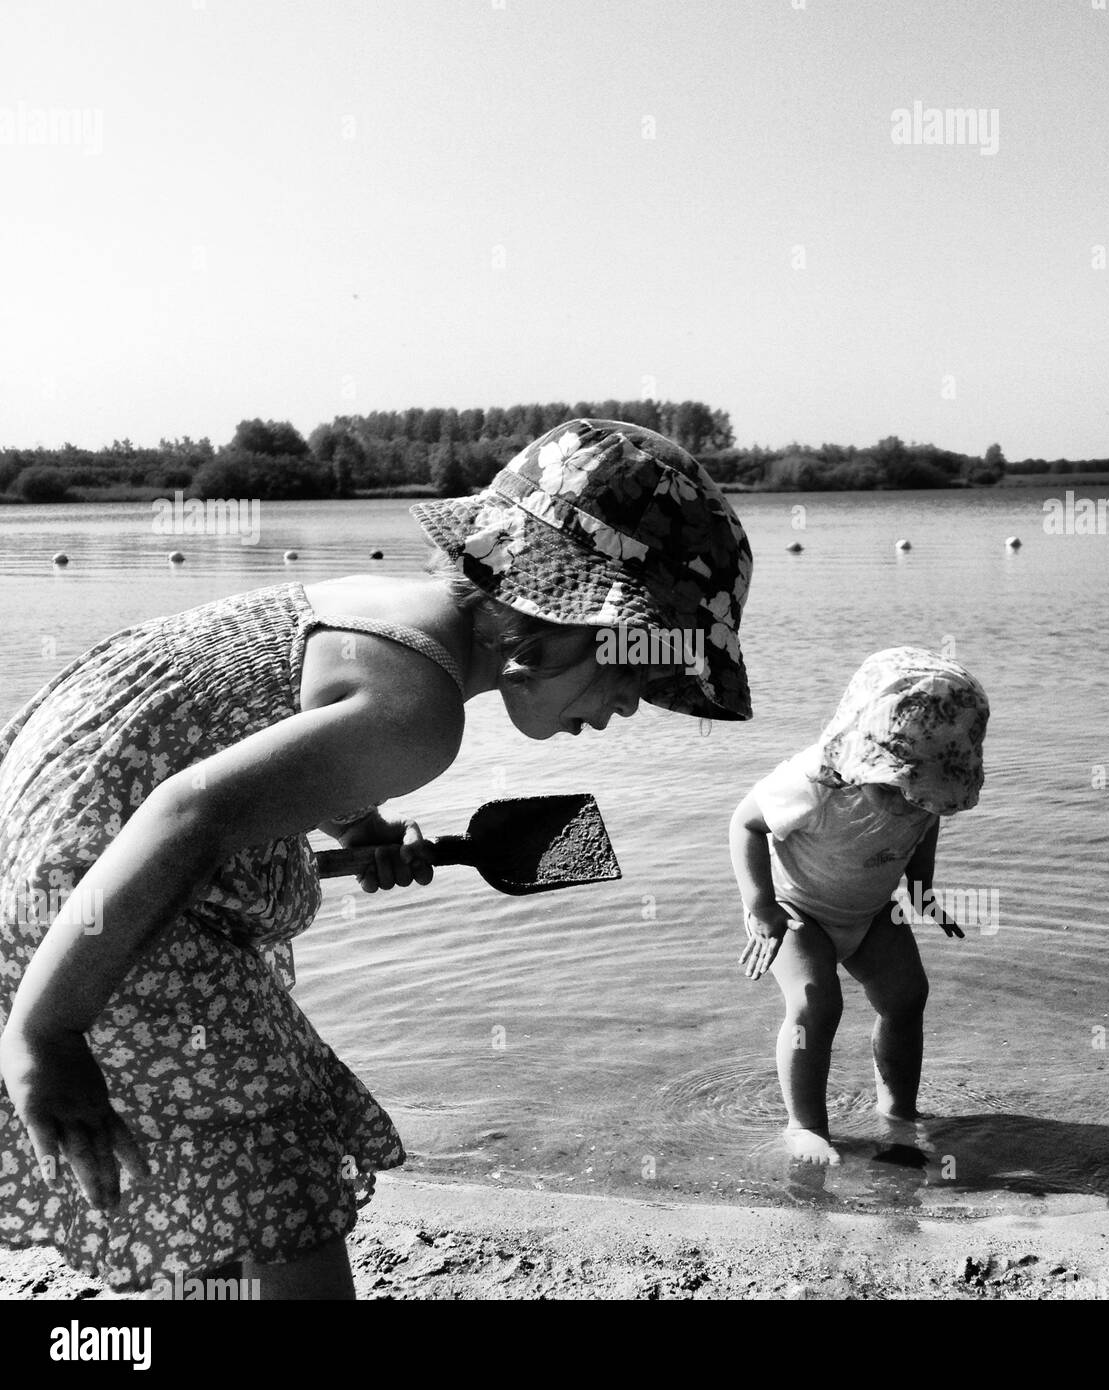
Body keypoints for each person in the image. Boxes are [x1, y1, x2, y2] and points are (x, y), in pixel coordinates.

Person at [0, 418, 752, 1297]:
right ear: (555, 627)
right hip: (111, 911)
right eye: (637, 666)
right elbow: (189, 813)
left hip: (44, 849)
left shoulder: (381, 610)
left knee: (207, 1173)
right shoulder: (421, 721)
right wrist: (45, 1033)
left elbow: (268, 737)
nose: (636, 703)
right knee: (278, 1156)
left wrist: (357, 828)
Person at [730, 647, 987, 1166]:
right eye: (896, 786)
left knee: (907, 995)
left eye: (921, 791)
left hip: (870, 912)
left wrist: (922, 889)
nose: (908, 804)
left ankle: (898, 1112)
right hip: (797, 910)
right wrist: (761, 908)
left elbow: (924, 831)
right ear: (864, 756)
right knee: (816, 1003)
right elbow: (746, 824)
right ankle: (805, 1127)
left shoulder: (923, 799)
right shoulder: (813, 783)